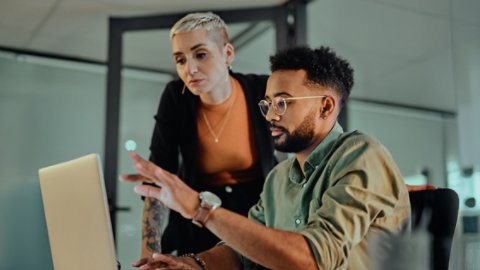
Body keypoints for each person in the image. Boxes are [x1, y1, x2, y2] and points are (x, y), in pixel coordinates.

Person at [122, 45, 411, 270]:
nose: (271, 115)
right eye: (268, 103)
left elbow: (313, 260)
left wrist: (201, 210)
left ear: (325, 107)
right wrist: (196, 264)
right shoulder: (278, 178)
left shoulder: (361, 154)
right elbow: (242, 253)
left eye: (283, 102)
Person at [122, 11, 278, 264]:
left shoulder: (262, 90)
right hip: (196, 217)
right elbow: (159, 177)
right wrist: (149, 251)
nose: (189, 69)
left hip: (255, 216)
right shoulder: (176, 97)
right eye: (180, 60)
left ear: (227, 54)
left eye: (201, 55)